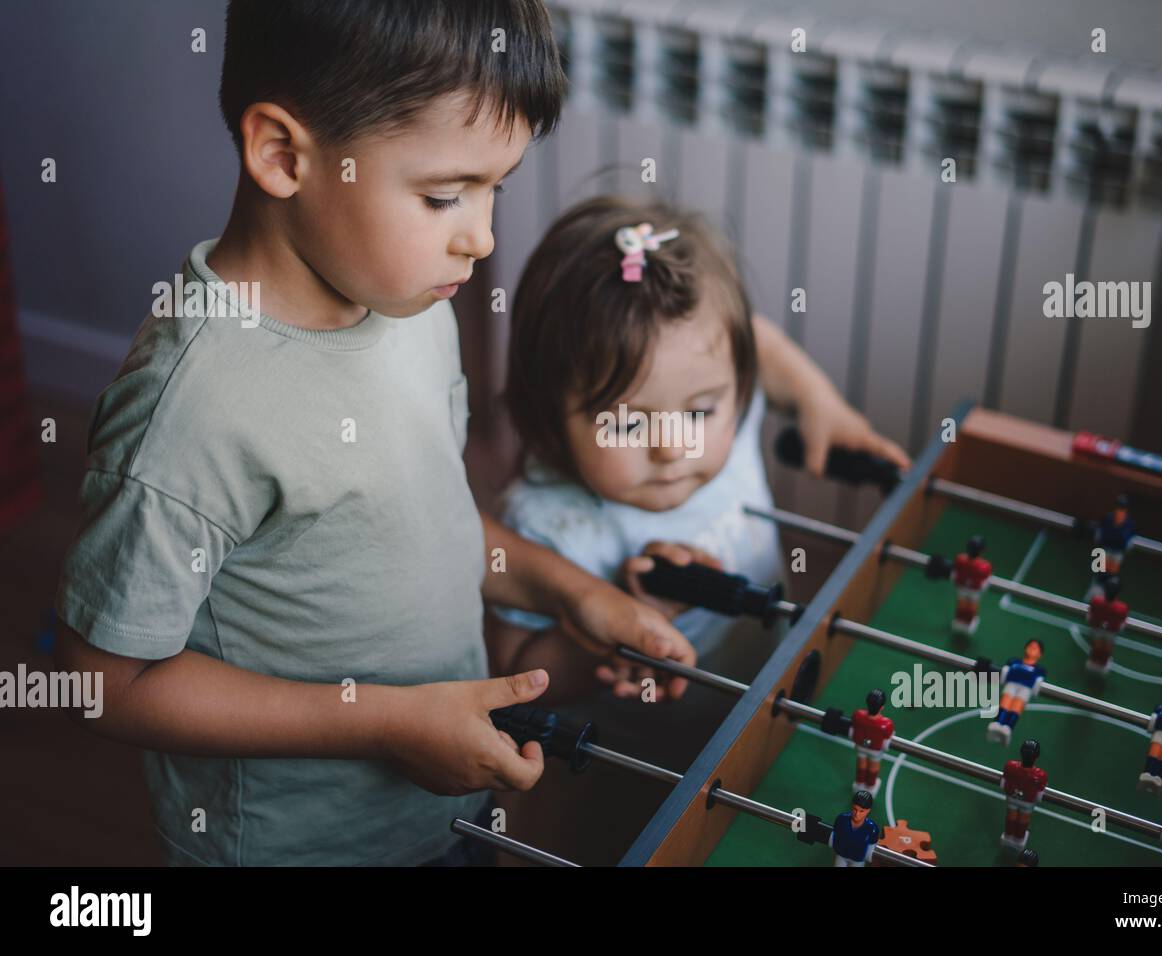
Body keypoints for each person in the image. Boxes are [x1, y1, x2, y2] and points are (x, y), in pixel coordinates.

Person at [52, 0, 698, 867]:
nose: (480, 238)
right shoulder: (192, 410)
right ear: (283, 155)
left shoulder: (411, 299)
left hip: (443, 806)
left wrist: (568, 591)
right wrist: (389, 722)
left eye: (492, 188)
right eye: (442, 196)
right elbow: (102, 686)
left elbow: (417, 521)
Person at [487, 195, 909, 699]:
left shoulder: (724, 395)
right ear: (549, 416)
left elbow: (753, 336)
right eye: (625, 425)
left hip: (771, 681)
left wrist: (818, 399)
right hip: (664, 759)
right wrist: (628, 613)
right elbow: (516, 669)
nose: (673, 448)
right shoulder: (540, 524)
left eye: (696, 412)